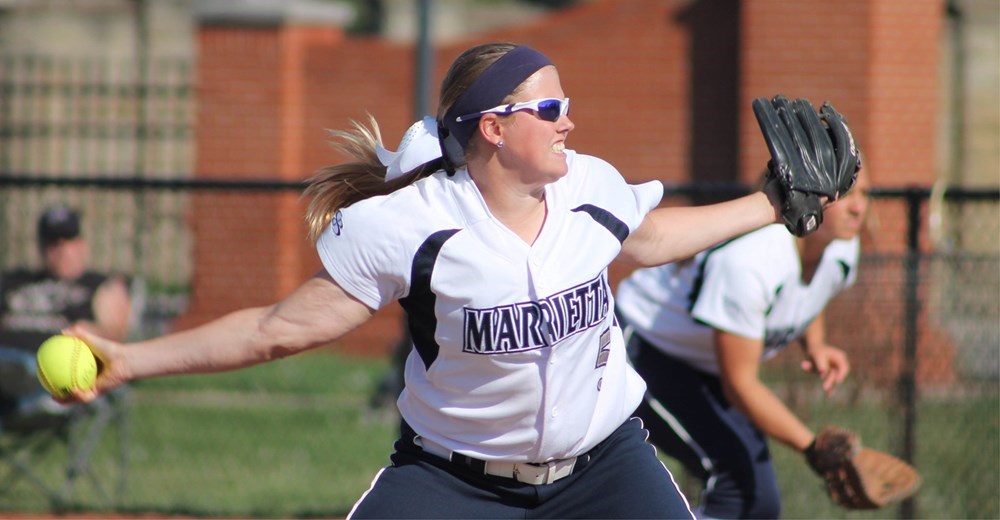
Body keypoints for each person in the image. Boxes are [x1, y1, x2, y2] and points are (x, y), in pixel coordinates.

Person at [64, 43, 834, 519]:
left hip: (605, 468)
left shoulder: (588, 188)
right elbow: (276, 331)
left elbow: (657, 237)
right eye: (551, 107)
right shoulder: (414, 226)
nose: (569, 121)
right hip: (453, 484)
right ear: (494, 128)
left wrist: (770, 202)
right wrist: (129, 360)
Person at [615, 166, 871, 519]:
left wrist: (816, 344)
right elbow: (740, 385)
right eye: (844, 195)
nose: (859, 208)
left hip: (700, 363)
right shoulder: (752, 261)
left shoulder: (840, 246)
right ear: (806, 199)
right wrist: (814, 447)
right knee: (735, 484)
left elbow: (810, 292)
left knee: (758, 500)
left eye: (864, 194)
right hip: (641, 349)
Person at [0, 204, 132, 426]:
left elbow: (116, 338)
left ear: (82, 245)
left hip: (49, 372)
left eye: (66, 242)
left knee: (21, 370)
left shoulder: (99, 286)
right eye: (51, 243)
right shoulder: (14, 282)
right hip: (6, 356)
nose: (59, 251)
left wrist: (89, 334)